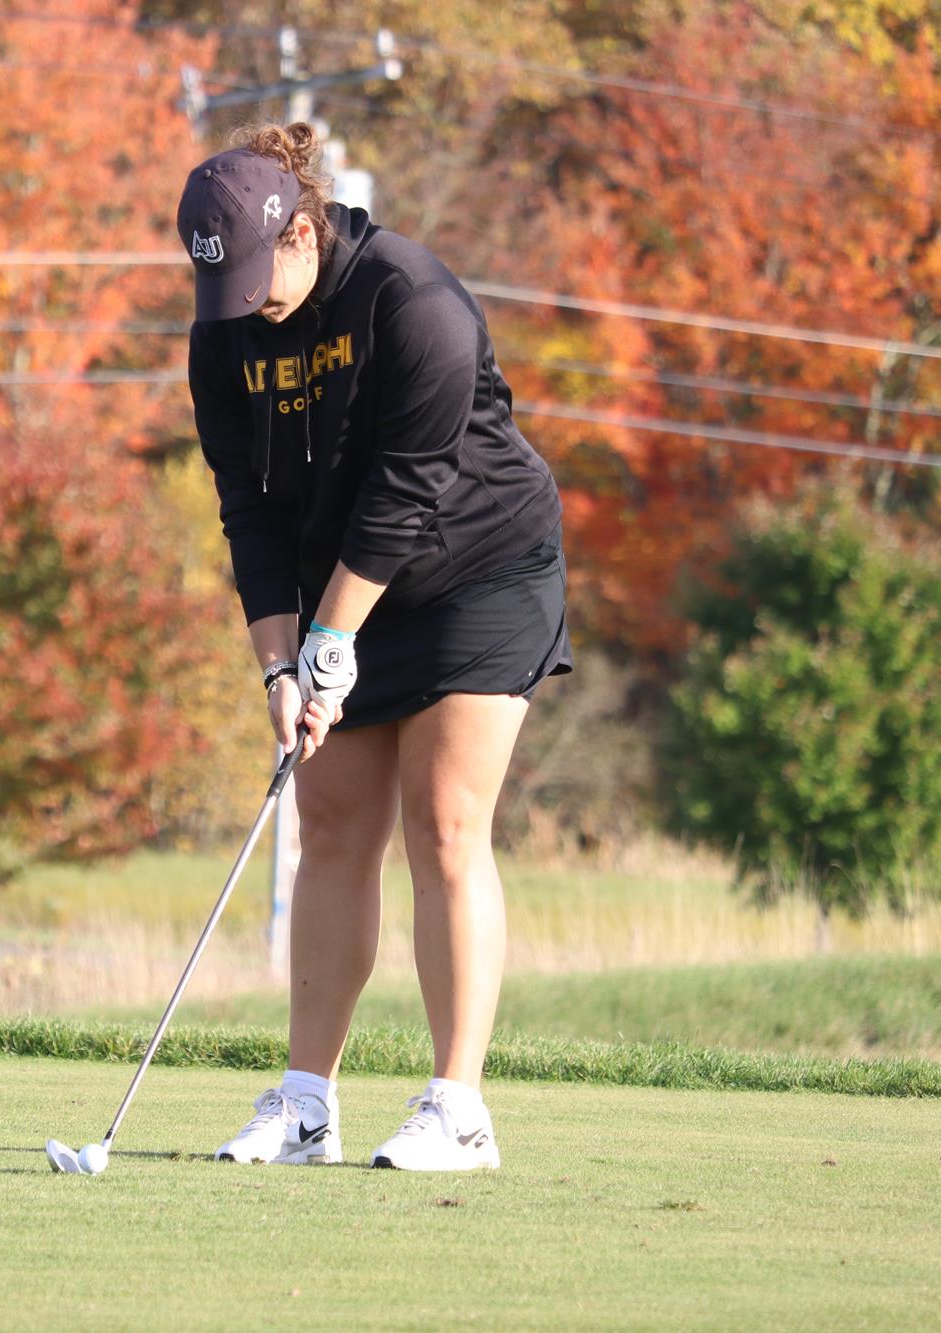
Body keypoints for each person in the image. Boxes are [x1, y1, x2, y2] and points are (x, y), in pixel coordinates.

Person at [176, 123, 571, 1171]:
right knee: (330, 824)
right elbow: (249, 510)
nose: (247, 307)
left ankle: (458, 1109)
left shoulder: (412, 300)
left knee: (443, 824)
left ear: (303, 234)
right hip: (338, 588)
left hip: (477, 571)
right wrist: (280, 664)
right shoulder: (224, 334)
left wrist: (330, 639)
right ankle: (306, 1104)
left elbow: (406, 493)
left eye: (260, 279)